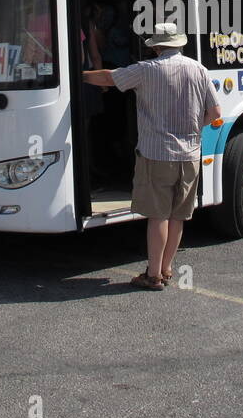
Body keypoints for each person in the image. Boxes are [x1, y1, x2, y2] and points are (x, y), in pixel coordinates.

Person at [82, 22, 220, 291]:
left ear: (156, 47)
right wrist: (193, 129)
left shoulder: (147, 70)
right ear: (179, 44)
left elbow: (110, 78)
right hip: (190, 154)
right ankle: (167, 269)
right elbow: (215, 113)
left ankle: (153, 275)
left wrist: (80, 74)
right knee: (178, 215)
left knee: (158, 215)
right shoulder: (199, 69)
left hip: (157, 154)